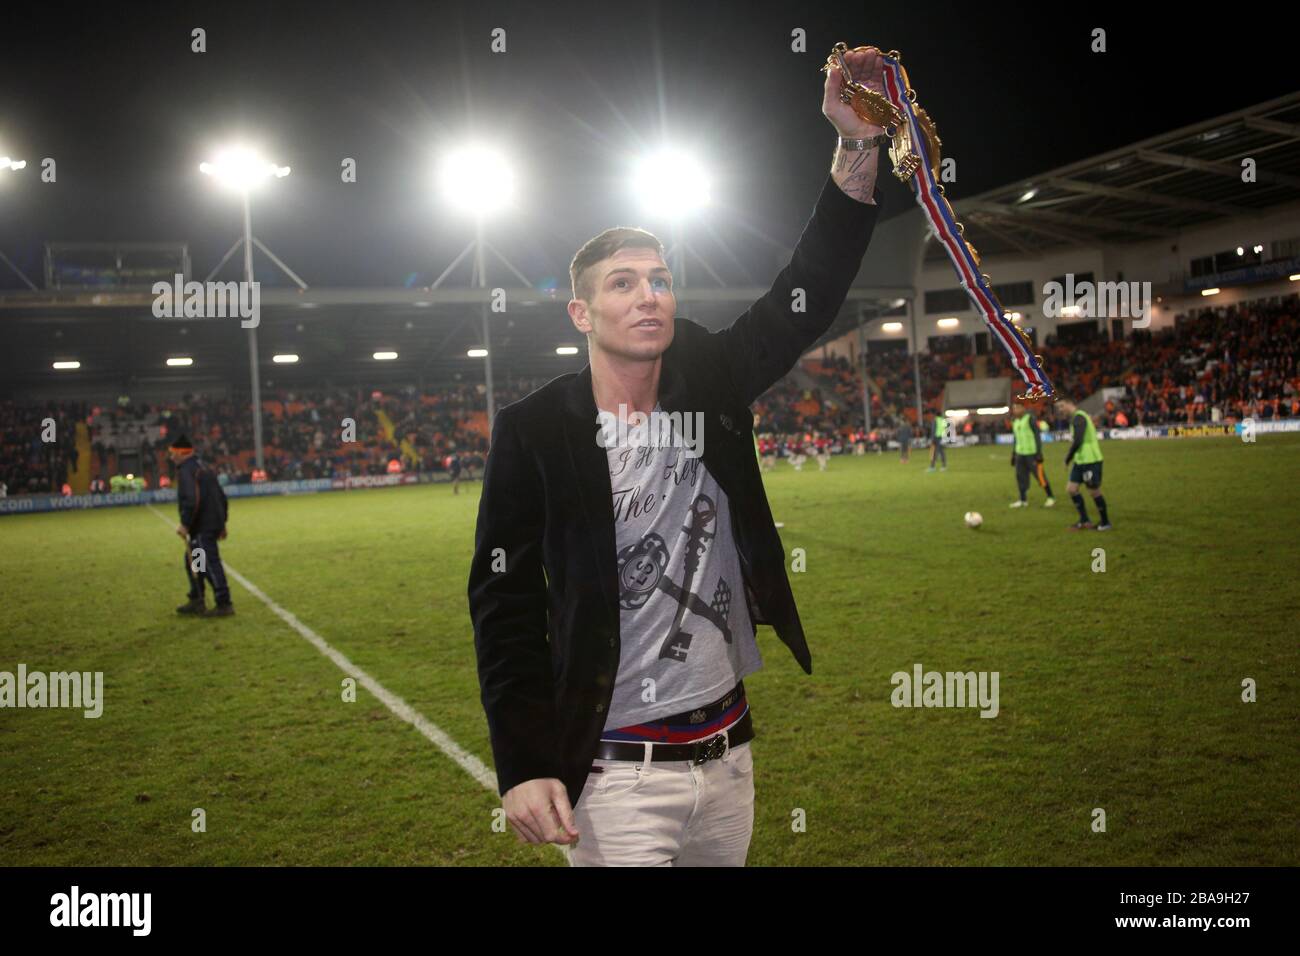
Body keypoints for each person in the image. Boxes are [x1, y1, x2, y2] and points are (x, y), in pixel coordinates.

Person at [468, 46, 885, 867]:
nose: (648, 294)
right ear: (581, 313)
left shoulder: (709, 381)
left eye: (658, 278)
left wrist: (856, 148)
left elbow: (804, 297)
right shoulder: (536, 430)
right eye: (621, 283)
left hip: (728, 755)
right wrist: (522, 764)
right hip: (617, 775)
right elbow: (504, 599)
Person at [169, 435, 235, 616]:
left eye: (173, 453)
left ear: (181, 453)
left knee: (208, 562)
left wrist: (185, 523)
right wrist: (222, 523)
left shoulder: (186, 471)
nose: (171, 457)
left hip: (202, 525)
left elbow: (191, 499)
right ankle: (197, 597)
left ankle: (223, 602)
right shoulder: (203, 468)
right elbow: (221, 497)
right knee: (194, 560)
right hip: (209, 523)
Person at [1056, 399, 1112, 531]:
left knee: (1093, 491)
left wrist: (1067, 458)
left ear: (1071, 404)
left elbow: (1078, 440)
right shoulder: (1076, 418)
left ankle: (1105, 522)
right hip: (1080, 460)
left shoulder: (1079, 417)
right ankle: (1084, 520)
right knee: (1071, 489)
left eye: (1063, 406)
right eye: (1059, 408)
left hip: (1091, 459)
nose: (1061, 410)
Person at [1009, 403, 1055, 508]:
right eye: (1014, 408)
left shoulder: (1030, 419)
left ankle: (1051, 497)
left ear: (1023, 408)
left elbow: (1037, 436)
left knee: (1040, 476)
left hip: (1032, 454)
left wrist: (1038, 453)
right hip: (1020, 454)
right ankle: (1023, 500)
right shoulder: (1015, 421)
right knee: (1020, 477)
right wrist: (1013, 454)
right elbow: (1016, 438)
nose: (1015, 410)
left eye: (1017, 407)